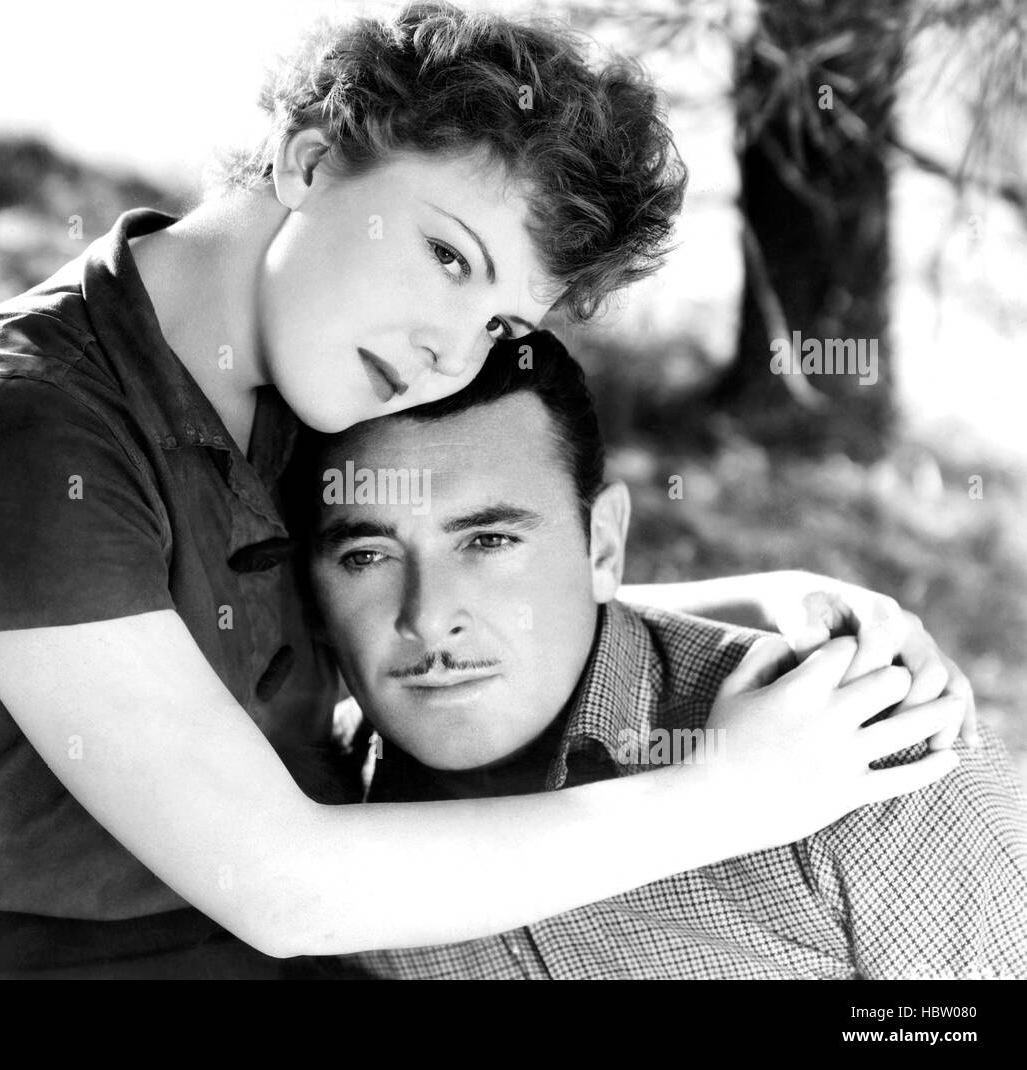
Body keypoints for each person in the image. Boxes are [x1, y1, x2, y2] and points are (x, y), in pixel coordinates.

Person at [0, 2, 970, 978]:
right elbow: (284, 885)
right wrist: (726, 795)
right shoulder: (28, 431)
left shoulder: (313, 382)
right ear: (309, 160)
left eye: (500, 319)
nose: (446, 353)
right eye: (447, 255)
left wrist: (783, 592)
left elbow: (425, 577)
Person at [294, 331, 1026, 979]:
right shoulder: (315, 824)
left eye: (489, 542)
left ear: (603, 545)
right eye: (367, 555)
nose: (427, 618)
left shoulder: (869, 757)